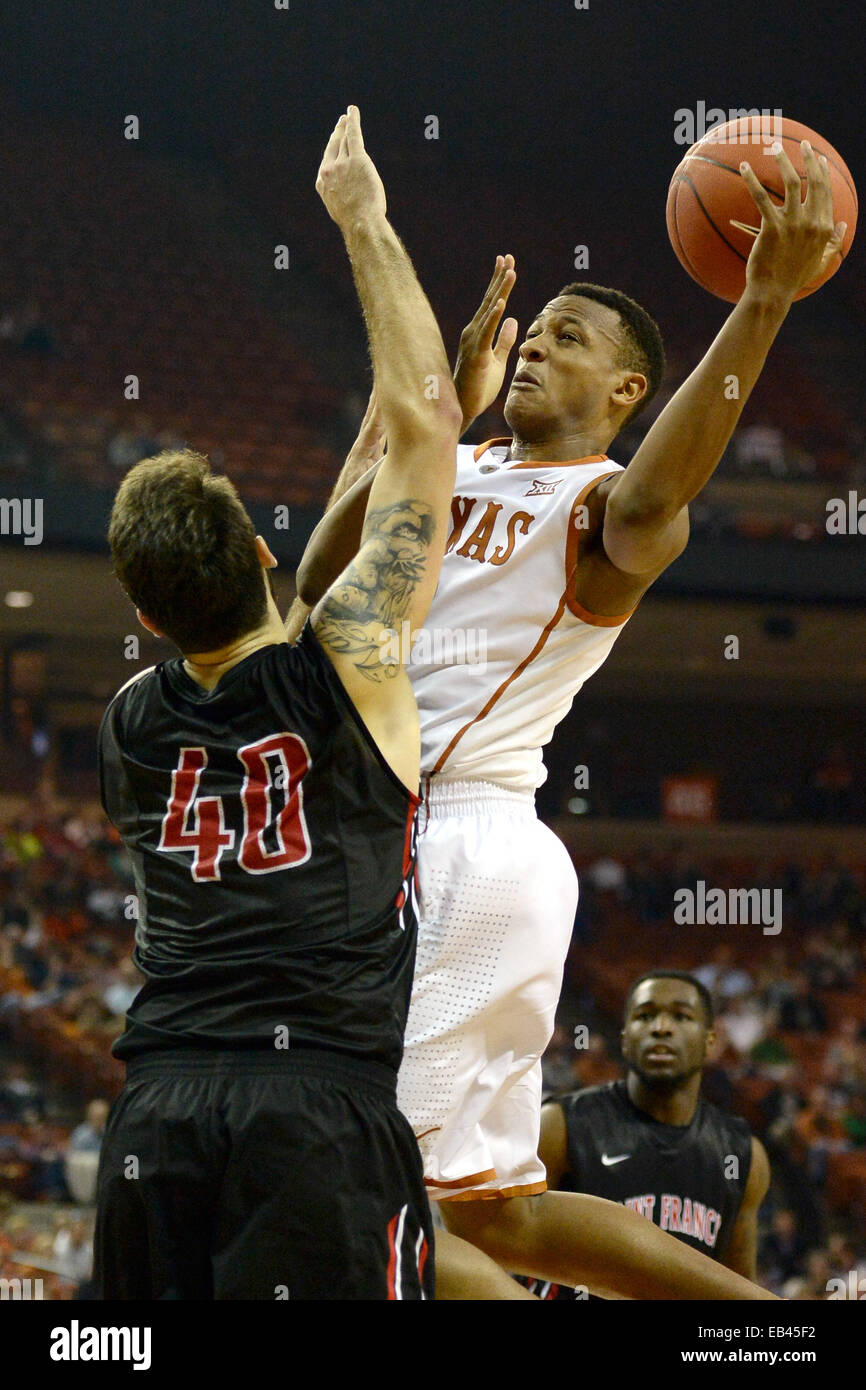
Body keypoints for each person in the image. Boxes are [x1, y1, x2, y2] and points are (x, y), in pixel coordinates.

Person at [289, 139, 841, 1298]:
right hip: (415, 847)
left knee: (366, 1201)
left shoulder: (605, 506)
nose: (533, 344)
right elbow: (315, 581)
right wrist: (428, 405)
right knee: (505, 1215)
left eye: (568, 341)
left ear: (627, 391)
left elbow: (665, 484)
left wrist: (759, 302)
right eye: (531, 333)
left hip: (455, 841)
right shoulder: (459, 460)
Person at [93, 106, 464, 1300]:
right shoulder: (347, 655)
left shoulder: (130, 725)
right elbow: (427, 425)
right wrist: (363, 219)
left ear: (146, 620)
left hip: (157, 1110)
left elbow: (371, 488)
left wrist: (405, 418)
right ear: (262, 550)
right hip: (314, 1114)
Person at [521, 972, 770, 1297]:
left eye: (681, 1016)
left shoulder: (742, 1155)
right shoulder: (562, 1125)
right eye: (645, 1015)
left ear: (711, 1040)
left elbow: (738, 1287)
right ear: (625, 1039)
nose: (661, 1027)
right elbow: (508, 1248)